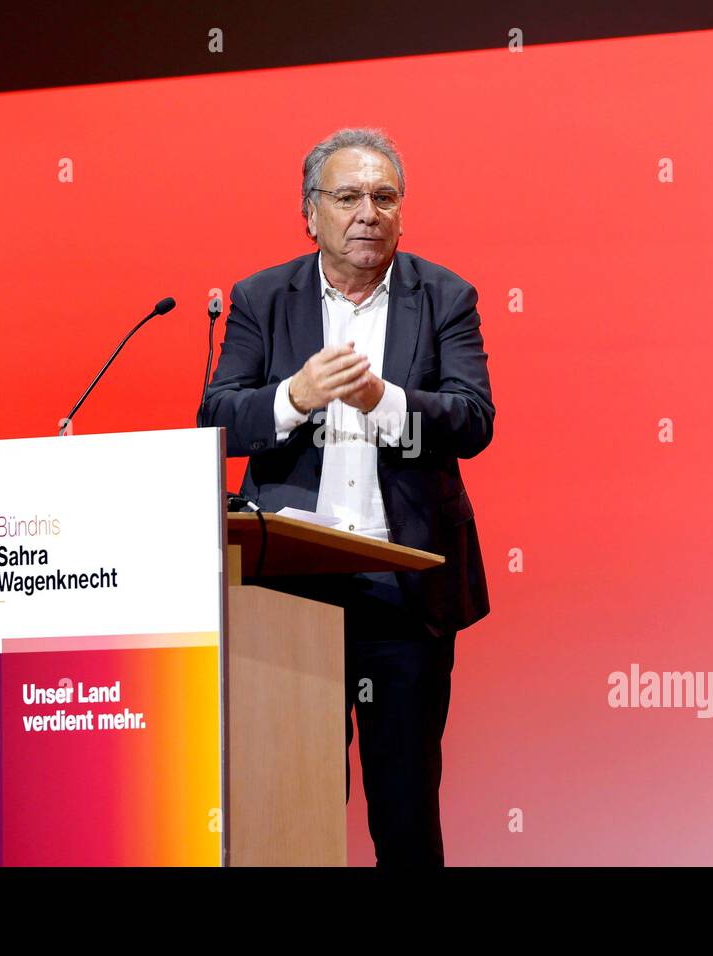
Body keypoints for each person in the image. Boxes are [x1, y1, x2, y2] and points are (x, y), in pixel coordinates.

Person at [199, 127, 493, 866]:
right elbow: (215, 419)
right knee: (291, 803)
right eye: (349, 196)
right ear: (311, 213)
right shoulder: (263, 299)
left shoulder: (446, 296)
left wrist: (386, 401)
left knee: (404, 814)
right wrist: (294, 396)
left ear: (402, 212)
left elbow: (474, 419)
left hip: (402, 594)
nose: (368, 212)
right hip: (292, 592)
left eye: (384, 197)